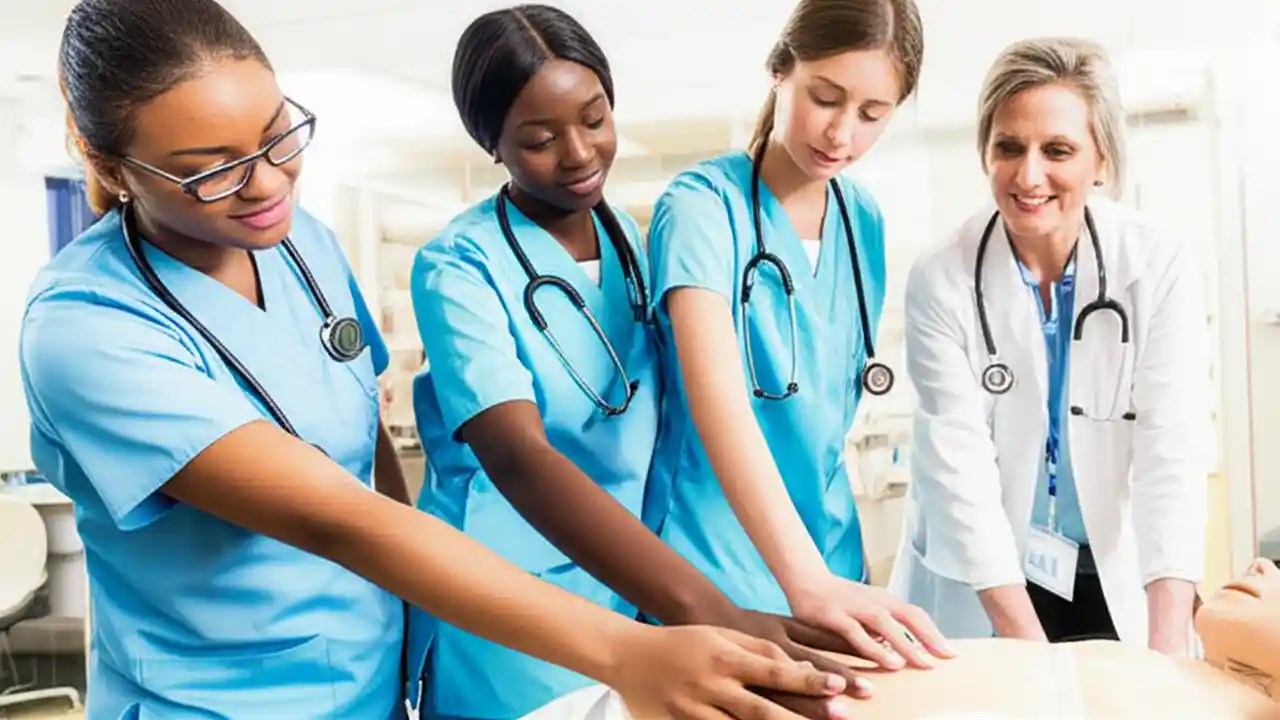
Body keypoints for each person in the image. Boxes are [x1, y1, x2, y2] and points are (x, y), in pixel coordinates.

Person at [17, 1, 858, 717]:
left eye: (279, 136)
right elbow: (338, 516)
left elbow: (361, 438)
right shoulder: (86, 330)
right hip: (221, 700)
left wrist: (412, 630)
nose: (270, 184)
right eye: (213, 171)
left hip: (372, 679)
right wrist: (633, 649)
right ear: (108, 167)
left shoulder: (298, 243)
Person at [407, 6, 871, 719]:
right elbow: (520, 460)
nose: (577, 154)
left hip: (631, 591)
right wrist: (708, 607)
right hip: (512, 608)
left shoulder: (629, 240)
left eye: (594, 119)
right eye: (538, 139)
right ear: (489, 142)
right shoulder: (457, 266)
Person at [645, 0, 951, 670]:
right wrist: (801, 579)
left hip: (833, 563)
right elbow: (719, 405)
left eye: (873, 114)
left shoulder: (860, 218)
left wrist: (826, 576)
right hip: (714, 571)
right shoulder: (701, 208)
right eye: (826, 97)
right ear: (780, 69)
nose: (842, 132)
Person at [888, 37, 1211, 654]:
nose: (1028, 175)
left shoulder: (1156, 263)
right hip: (981, 585)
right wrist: (1035, 662)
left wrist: (1168, 650)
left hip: (1106, 570)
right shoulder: (942, 278)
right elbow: (959, 474)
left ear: (1102, 161)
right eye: (1008, 147)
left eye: (1057, 150)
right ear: (985, 151)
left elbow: (1170, 454)